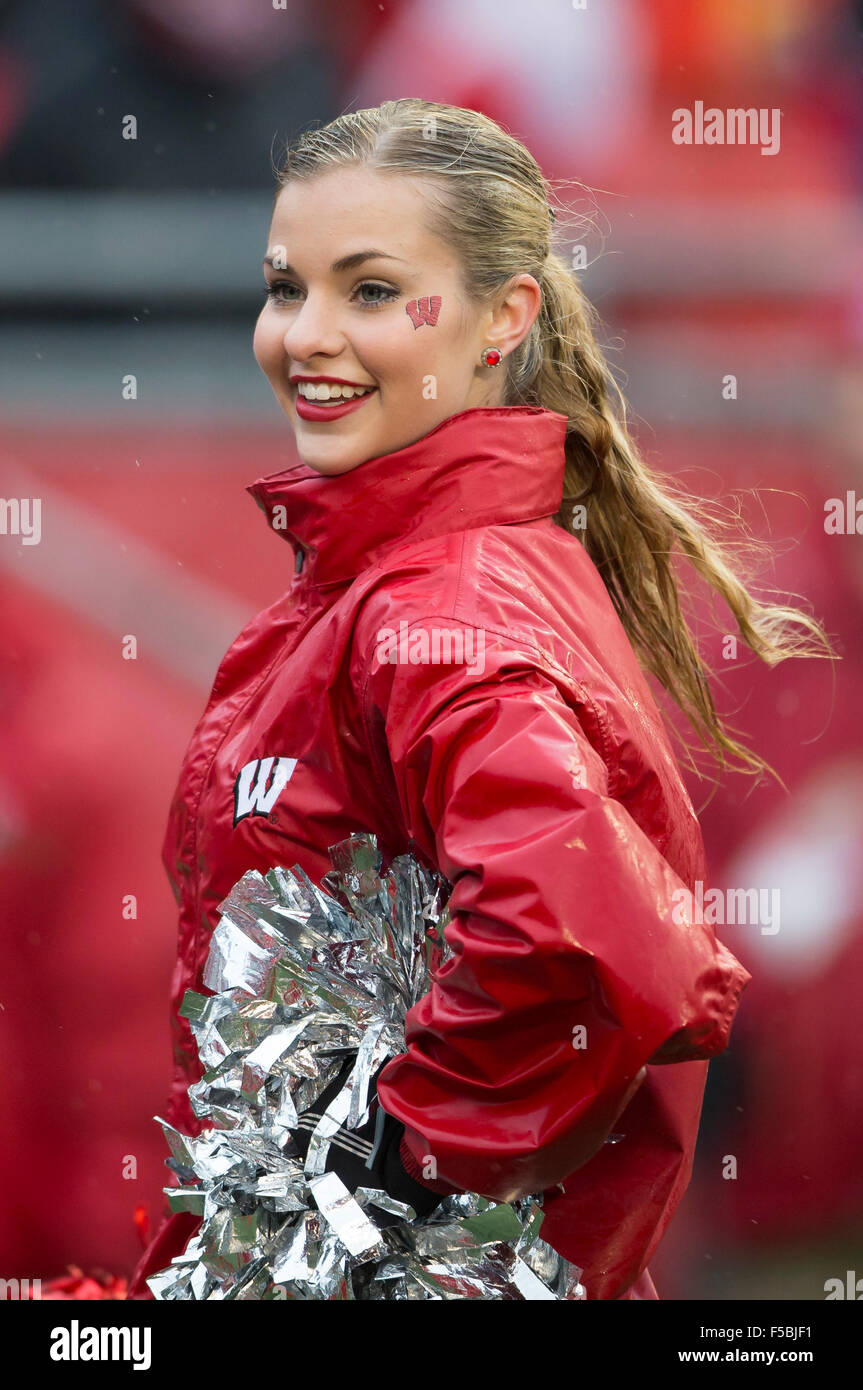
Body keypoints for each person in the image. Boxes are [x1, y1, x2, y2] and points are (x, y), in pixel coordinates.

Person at [127, 98, 830, 1301]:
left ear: (504, 317)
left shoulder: (437, 607)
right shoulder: (400, 583)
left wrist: (377, 1180)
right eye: (286, 287)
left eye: (369, 290)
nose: (306, 334)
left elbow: (584, 940)